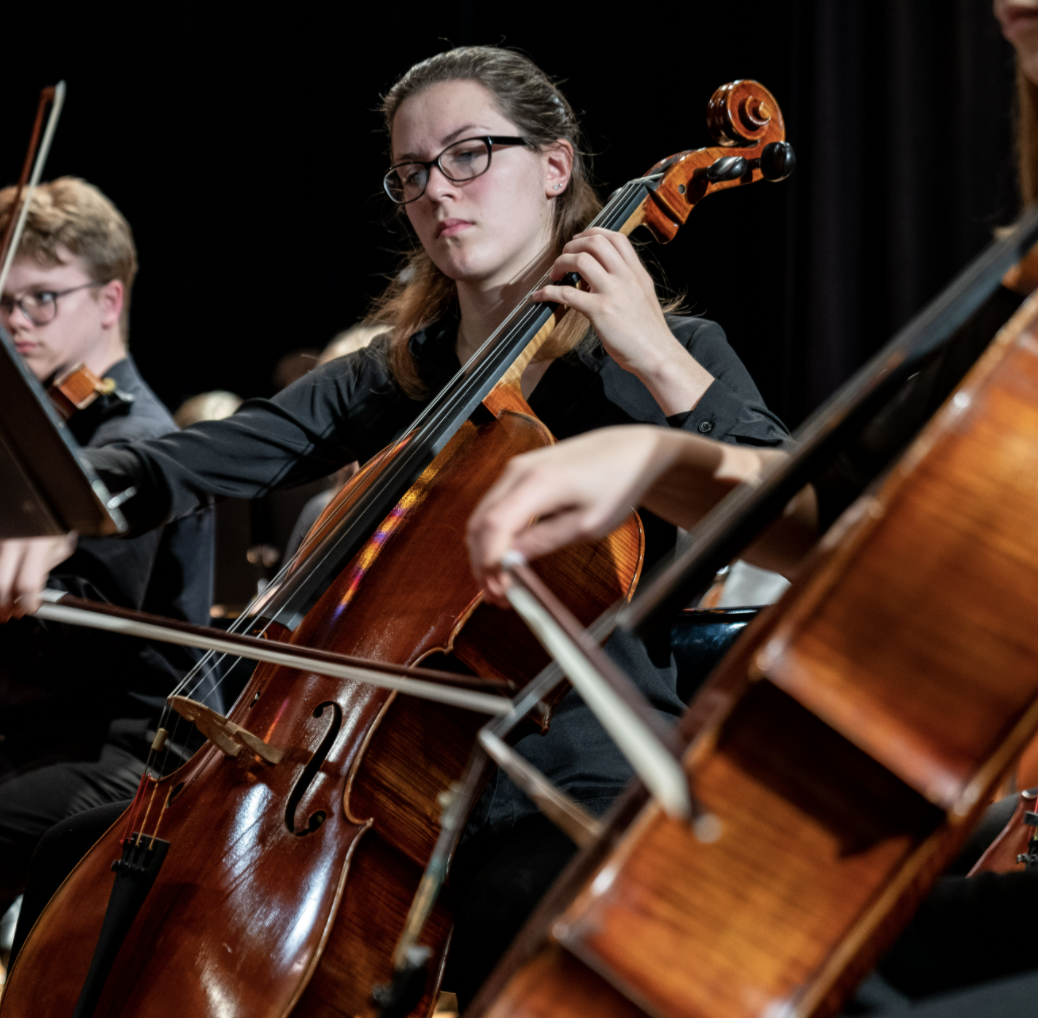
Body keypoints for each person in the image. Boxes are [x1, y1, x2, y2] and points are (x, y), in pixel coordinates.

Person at [0, 48, 788, 1002]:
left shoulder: (672, 353)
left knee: (524, 904)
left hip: (564, 768)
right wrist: (56, 509)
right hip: (352, 774)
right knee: (80, 855)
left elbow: (787, 506)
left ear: (554, 167)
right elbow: (193, 458)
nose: (436, 191)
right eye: (411, 172)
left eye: (468, 155)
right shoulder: (401, 375)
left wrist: (660, 361)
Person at [0, 179, 216, 925]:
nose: (17, 322)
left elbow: (78, 650)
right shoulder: (51, 434)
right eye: (4, 303)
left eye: (40, 298)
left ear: (109, 301)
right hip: (40, 737)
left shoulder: (135, 445)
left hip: (120, 749)